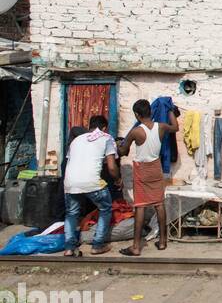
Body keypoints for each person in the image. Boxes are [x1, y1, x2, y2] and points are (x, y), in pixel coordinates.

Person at [118, 99, 179, 255]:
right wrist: (170, 110)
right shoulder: (161, 127)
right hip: (156, 168)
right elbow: (175, 127)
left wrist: (119, 145)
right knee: (159, 204)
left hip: (142, 170)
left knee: (140, 206)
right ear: (150, 112)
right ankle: (163, 242)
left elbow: (123, 151)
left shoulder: (136, 131)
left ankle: (136, 247)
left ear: (137, 115)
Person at [62, 115, 121, 256]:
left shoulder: (76, 140)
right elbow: (112, 167)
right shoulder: (106, 138)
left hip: (70, 182)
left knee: (71, 213)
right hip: (92, 182)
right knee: (105, 208)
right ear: (104, 128)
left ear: (90, 126)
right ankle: (98, 245)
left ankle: (69, 248)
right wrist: (118, 180)